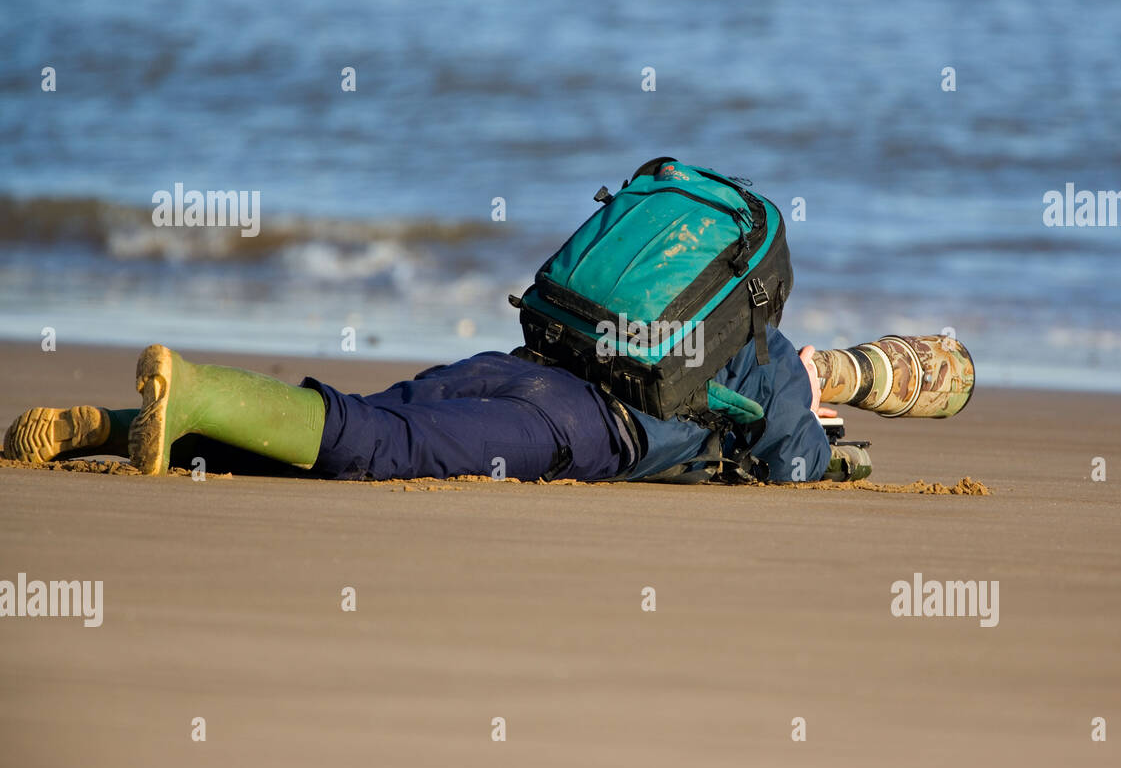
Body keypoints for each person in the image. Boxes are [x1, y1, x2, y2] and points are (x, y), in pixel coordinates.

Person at [2, 324, 842, 483]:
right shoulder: (775, 359)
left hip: (513, 365)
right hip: (573, 423)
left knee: (372, 417)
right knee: (381, 446)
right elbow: (793, 467)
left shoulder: (708, 309)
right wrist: (814, 391)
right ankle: (195, 386)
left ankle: (131, 427)